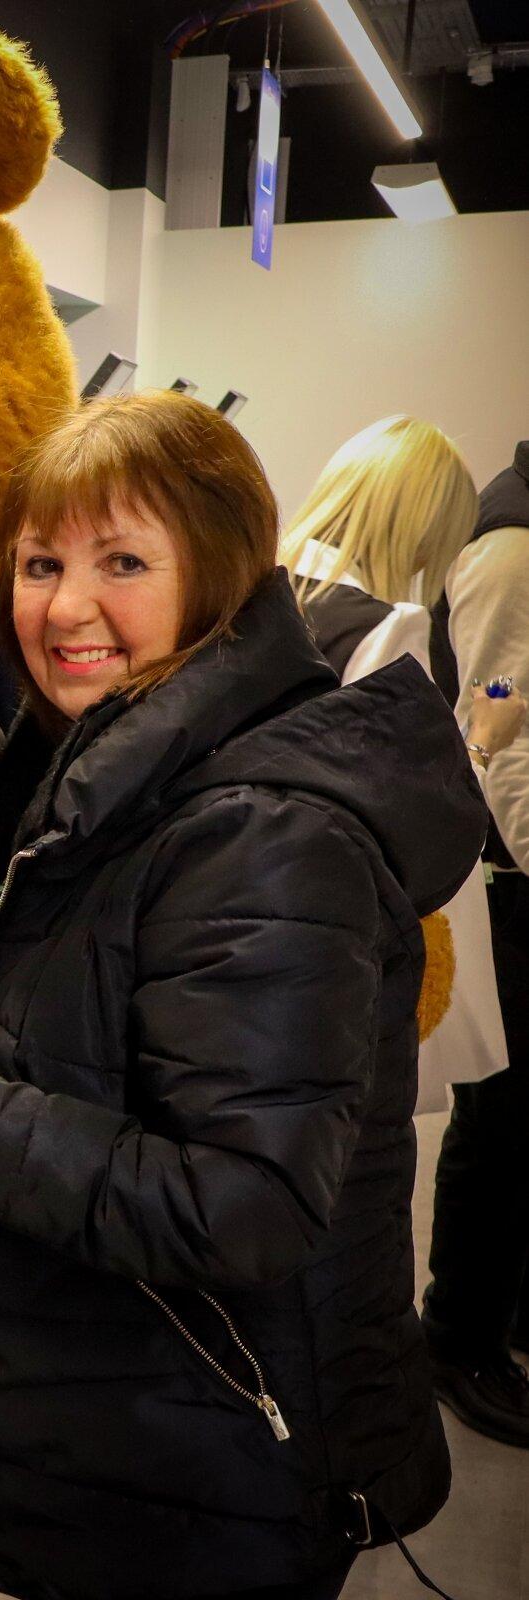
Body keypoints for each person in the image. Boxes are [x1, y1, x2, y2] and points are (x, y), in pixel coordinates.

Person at [0, 391, 487, 1600]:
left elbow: (240, 1206)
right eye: (41, 562)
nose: (66, 606)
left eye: (122, 561)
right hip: (142, 1445)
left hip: (209, 1482)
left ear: (216, 577)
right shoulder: (111, 767)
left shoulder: (258, 831)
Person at [280, 414, 523, 1121]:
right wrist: (478, 741)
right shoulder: (387, 629)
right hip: (334, 947)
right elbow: (407, 826)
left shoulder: (255, 594)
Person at [419, 437, 529, 1445]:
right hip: (508, 881)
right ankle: (456, 1338)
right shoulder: (508, 545)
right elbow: (499, 719)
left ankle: (502, 1311)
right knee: (500, 1113)